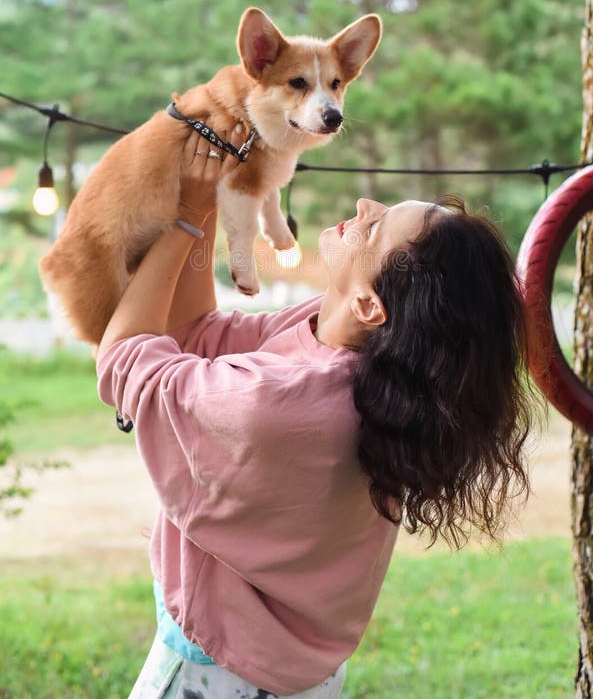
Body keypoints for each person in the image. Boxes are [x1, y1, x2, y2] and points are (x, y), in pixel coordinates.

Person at [96, 115, 536, 699]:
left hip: (217, 671)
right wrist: (204, 209)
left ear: (369, 304)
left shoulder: (276, 405)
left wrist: (181, 223)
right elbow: (195, 331)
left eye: (374, 228)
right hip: (306, 673)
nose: (363, 203)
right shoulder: (366, 368)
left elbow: (124, 358)